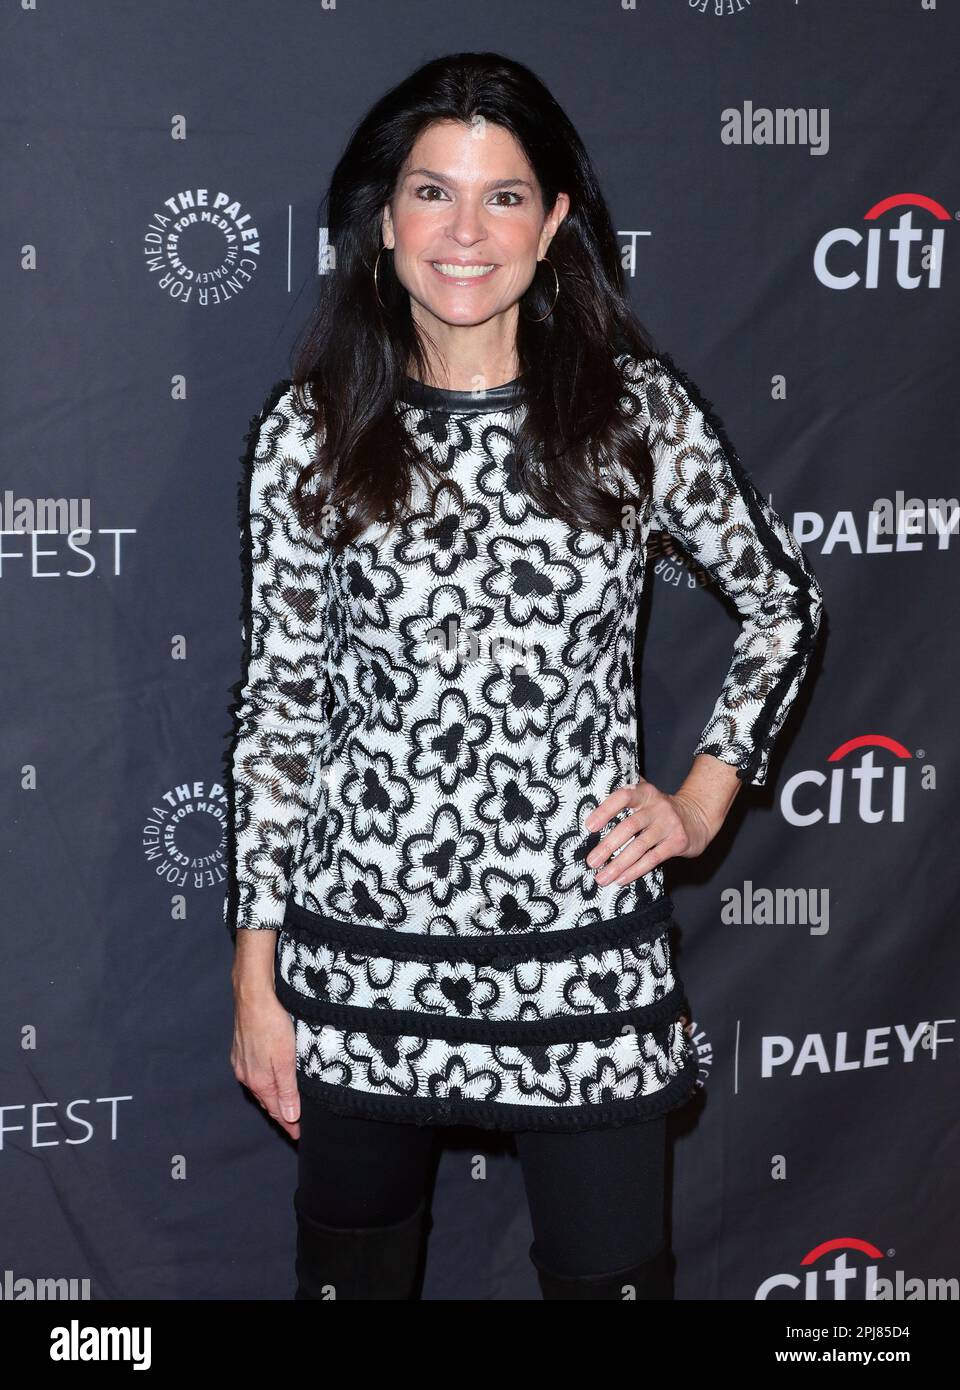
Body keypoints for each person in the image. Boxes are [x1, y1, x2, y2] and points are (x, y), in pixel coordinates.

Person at [224, 51, 825, 1301]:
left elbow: (784, 604)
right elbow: (281, 706)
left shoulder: (631, 416)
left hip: (581, 960)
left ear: (554, 224)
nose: (464, 231)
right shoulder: (311, 430)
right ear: (383, 221)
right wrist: (256, 970)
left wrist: (702, 799)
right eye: (432, 192)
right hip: (356, 961)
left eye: (504, 198)